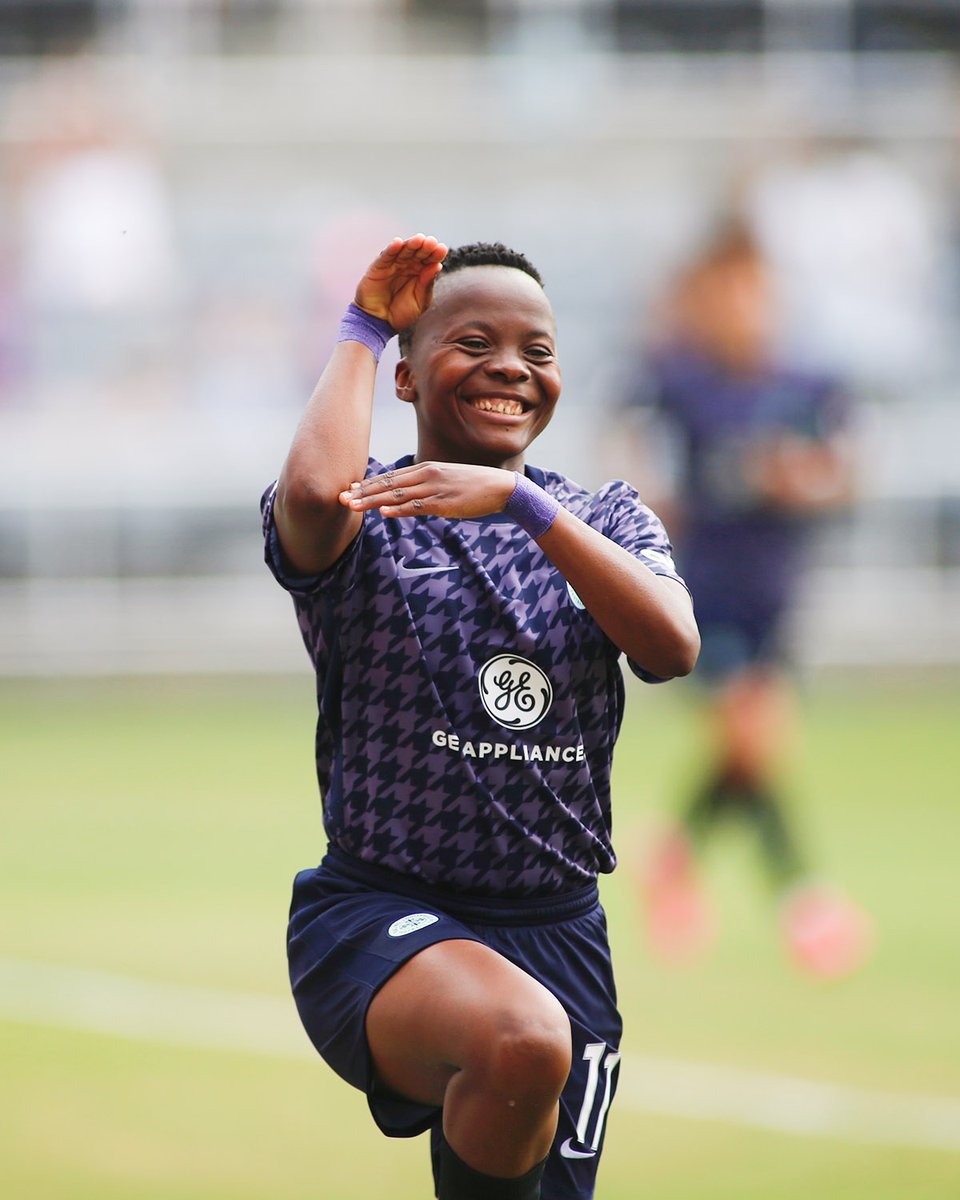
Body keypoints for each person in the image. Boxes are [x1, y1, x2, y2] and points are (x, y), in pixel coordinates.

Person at [261, 233, 699, 1200]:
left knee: (534, 1072)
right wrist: (366, 327)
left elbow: (671, 646)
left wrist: (522, 505)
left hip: (560, 930)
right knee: (521, 1034)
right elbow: (306, 497)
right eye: (473, 343)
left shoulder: (604, 520)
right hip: (380, 915)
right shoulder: (372, 511)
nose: (510, 366)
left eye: (537, 351)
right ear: (411, 379)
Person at [618, 220, 872, 977]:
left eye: (754, 291)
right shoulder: (680, 380)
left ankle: (674, 855)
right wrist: (650, 508)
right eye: (726, 292)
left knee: (752, 751)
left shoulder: (809, 386)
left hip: (777, 596)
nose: (742, 308)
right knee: (751, 738)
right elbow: (630, 449)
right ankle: (805, 902)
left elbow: (844, 474)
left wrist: (801, 481)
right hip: (702, 595)